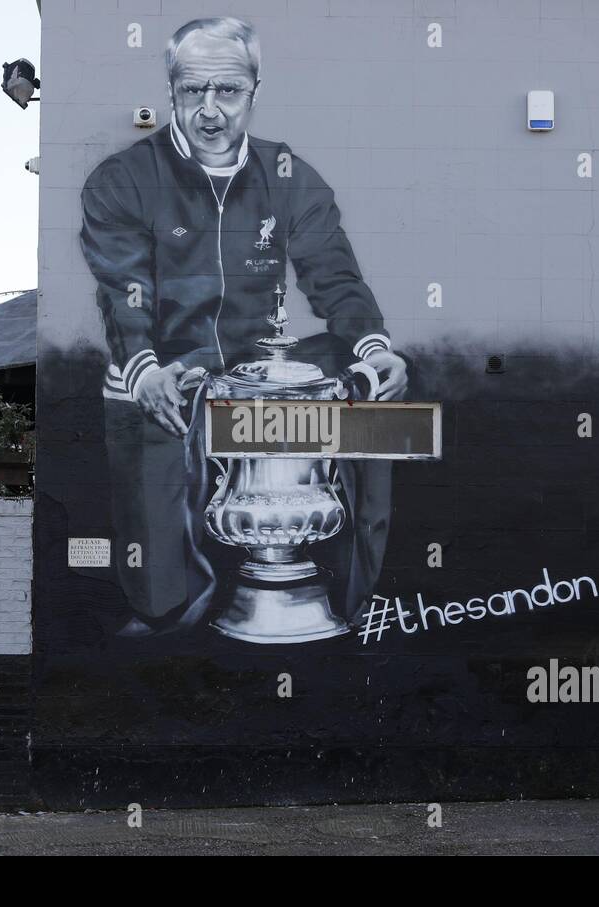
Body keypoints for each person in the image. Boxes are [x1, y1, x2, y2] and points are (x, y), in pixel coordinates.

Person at [80, 16, 406, 635]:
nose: (209, 111)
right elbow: (123, 291)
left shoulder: (288, 176)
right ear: (171, 90)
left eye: (227, 91)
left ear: (255, 89)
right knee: (161, 601)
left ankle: (349, 598)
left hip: (256, 376)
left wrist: (374, 347)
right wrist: (144, 366)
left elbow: (334, 273)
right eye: (191, 92)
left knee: (375, 390)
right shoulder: (122, 180)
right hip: (164, 380)